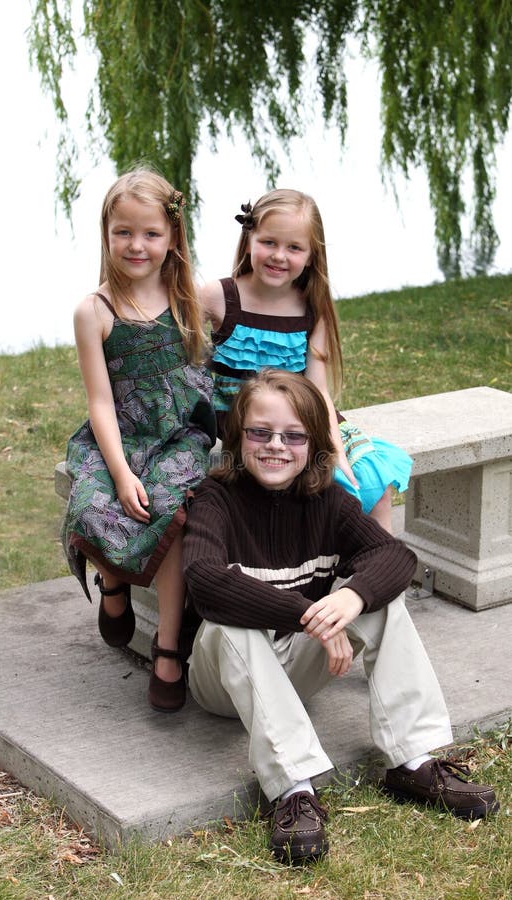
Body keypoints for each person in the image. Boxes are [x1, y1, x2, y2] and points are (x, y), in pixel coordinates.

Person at [182, 369, 498, 864]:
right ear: (239, 434)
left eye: (293, 436)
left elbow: (397, 558)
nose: (275, 446)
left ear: (314, 442)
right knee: (230, 621)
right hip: (223, 679)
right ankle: (293, 792)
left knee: (380, 597)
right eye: (260, 432)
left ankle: (412, 760)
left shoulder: (327, 500)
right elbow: (204, 579)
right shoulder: (215, 498)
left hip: (298, 669)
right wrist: (310, 613)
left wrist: (350, 600)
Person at [62, 167, 215, 712]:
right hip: (119, 435)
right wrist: (122, 472)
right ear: (106, 234)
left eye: (151, 233)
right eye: (124, 232)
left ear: (172, 237)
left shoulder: (189, 297)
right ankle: (113, 584)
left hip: (178, 435)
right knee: (97, 499)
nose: (137, 245)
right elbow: (100, 402)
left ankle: (169, 646)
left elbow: (258, 304)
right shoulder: (94, 311)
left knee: (168, 510)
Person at [200, 189, 412, 532]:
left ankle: (381, 574)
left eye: (294, 248)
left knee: (371, 481)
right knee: (293, 496)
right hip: (250, 426)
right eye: (269, 242)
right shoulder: (218, 297)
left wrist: (334, 447)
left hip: (302, 418)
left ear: (312, 256)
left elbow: (317, 388)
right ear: (249, 239)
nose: (279, 256)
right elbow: (175, 354)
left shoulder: (311, 309)